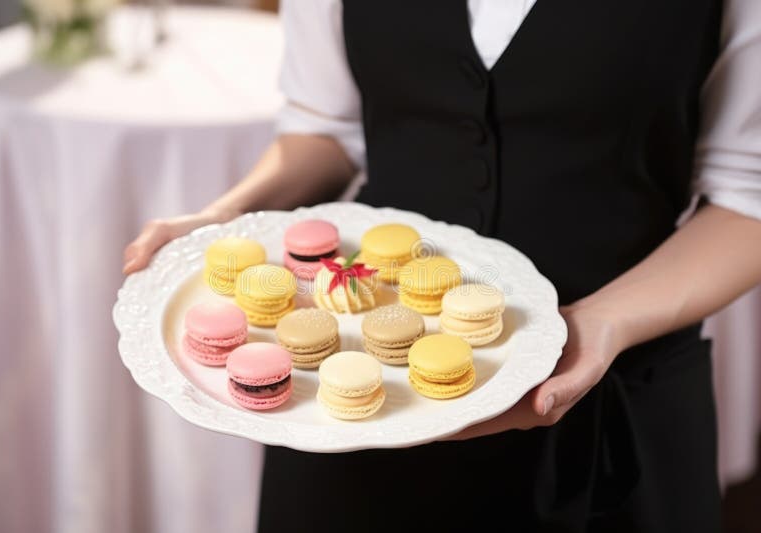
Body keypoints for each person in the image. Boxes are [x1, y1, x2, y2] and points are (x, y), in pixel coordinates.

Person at [123, 1, 761, 531]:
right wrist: (228, 215)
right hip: (355, 414)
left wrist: (602, 322)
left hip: (617, 408)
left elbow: (748, 197)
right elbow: (325, 129)